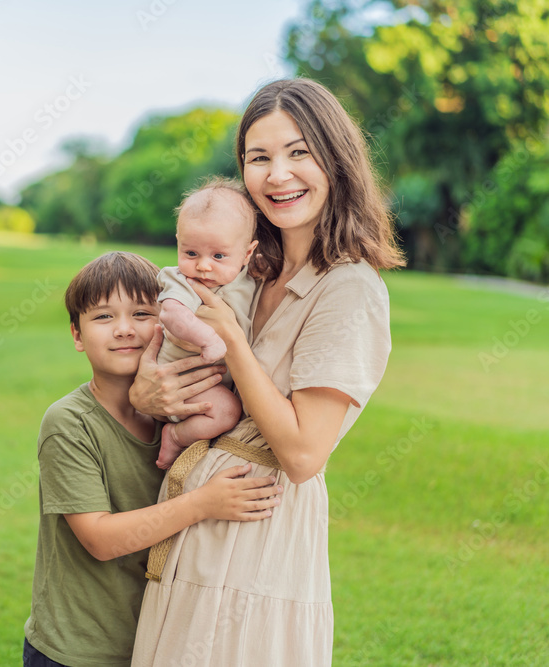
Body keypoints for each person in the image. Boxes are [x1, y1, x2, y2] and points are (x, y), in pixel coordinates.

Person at [130, 78, 405, 666]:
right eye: (260, 158)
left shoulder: (349, 288)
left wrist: (230, 341)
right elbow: (170, 361)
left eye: (299, 152)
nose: (278, 174)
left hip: (262, 530)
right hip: (198, 518)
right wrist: (151, 393)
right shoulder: (248, 271)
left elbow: (304, 455)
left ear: (336, 160)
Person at [23, 251, 282, 667]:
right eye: (103, 317)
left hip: (160, 642)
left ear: (167, 319)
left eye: (142, 313)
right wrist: (204, 503)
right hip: (78, 649)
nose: (124, 330)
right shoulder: (69, 423)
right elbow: (101, 540)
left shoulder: (189, 416)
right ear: (76, 334)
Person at [154, 177, 259, 469]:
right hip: (183, 380)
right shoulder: (182, 280)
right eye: (191, 253)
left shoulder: (247, 277)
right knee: (226, 411)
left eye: (218, 255)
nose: (203, 265)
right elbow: (172, 315)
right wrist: (207, 339)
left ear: (247, 254)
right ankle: (175, 436)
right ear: (179, 243)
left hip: (213, 377)